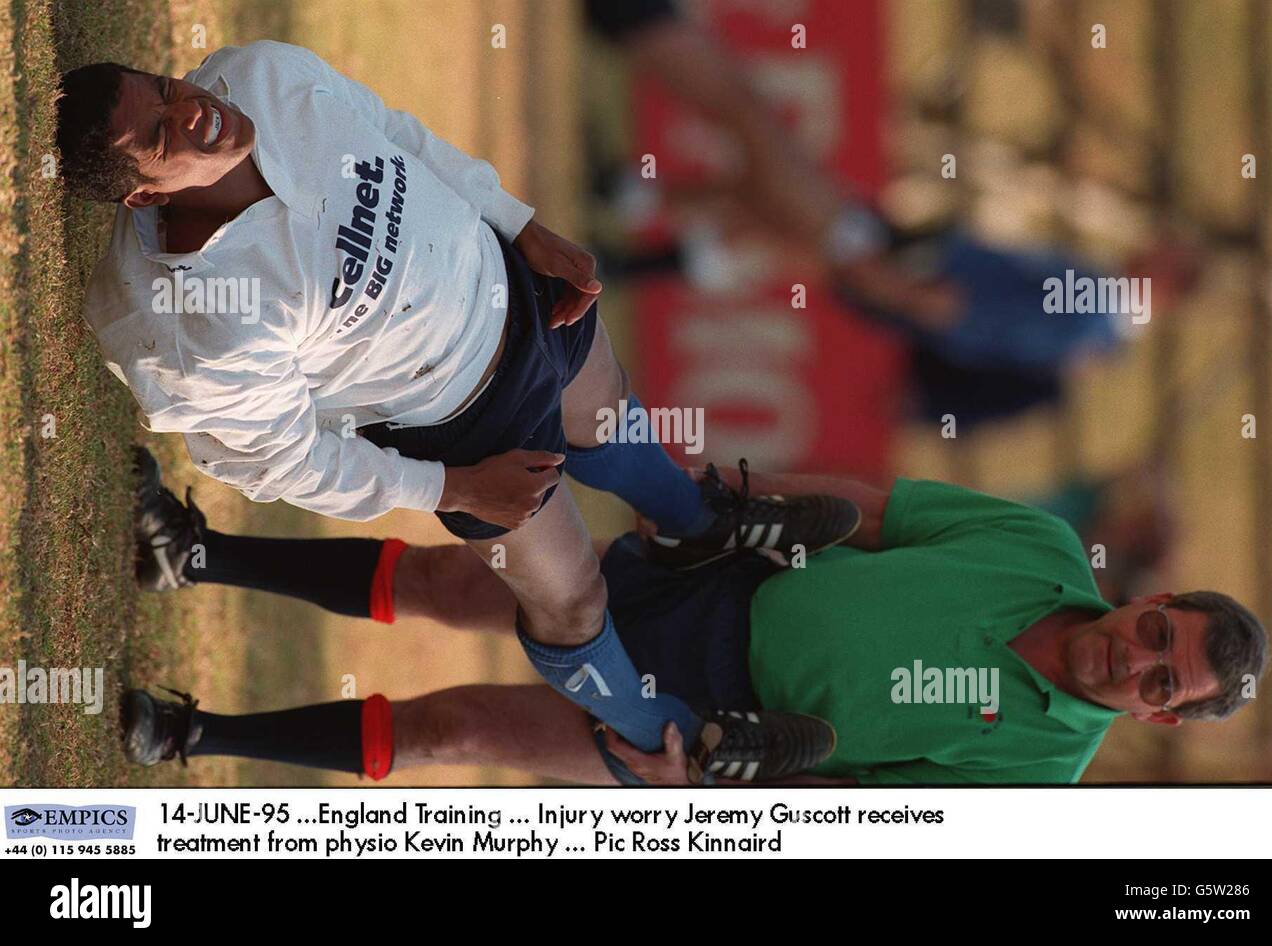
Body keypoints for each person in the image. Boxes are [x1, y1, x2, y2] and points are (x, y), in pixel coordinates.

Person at [59, 41, 863, 781]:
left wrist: (520, 224)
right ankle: (678, 744)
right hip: (473, 423)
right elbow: (284, 460)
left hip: (520, 288)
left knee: (611, 419)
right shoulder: (191, 320)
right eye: (163, 134)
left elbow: (394, 132)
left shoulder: (258, 78)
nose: (189, 109)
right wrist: (455, 489)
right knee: (573, 600)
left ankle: (696, 521)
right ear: (141, 194)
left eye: (166, 88)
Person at [125, 457, 1269, 785]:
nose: (1137, 660)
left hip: (701, 728)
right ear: (1156, 601)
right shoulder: (1043, 549)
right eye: (1157, 636)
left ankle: (197, 737)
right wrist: (742, 501)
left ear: (1158, 720)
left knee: (457, 731)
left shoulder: (1037, 779)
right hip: (716, 585)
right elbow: (872, 514)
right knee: (461, 582)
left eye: (1159, 685)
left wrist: (717, 790)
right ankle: (199, 552)